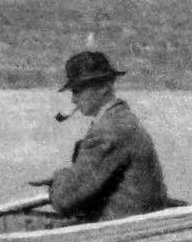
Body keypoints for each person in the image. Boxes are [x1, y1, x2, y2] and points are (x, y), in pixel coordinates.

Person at [42, 51, 176, 221]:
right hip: (141, 222)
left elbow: (64, 200)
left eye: (78, 90)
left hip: (123, 229)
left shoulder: (107, 131)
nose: (74, 99)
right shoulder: (123, 118)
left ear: (104, 87)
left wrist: (58, 179)